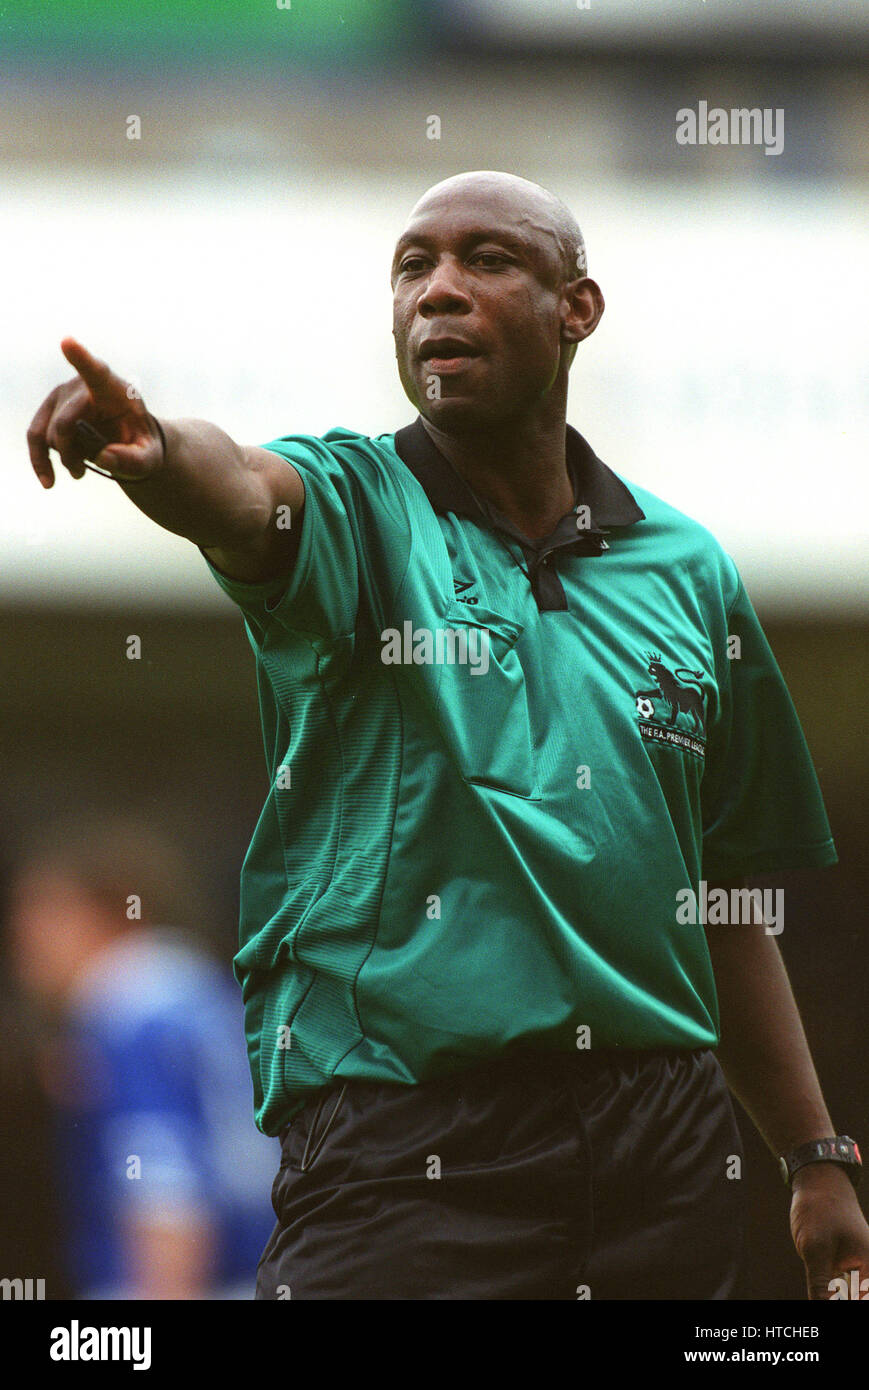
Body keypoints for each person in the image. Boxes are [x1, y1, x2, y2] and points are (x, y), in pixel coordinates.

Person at [26, 169, 868, 1301]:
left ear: (577, 308)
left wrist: (811, 1157)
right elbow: (240, 489)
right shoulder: (355, 503)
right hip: (406, 1147)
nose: (438, 292)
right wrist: (161, 454)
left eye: (487, 261)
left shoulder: (689, 571)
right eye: (412, 268)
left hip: (660, 1150)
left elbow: (718, 899)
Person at [6, 815, 279, 1299]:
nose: (22, 935)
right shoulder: (199, 989)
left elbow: (166, 1201)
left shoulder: (125, 1008)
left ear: (106, 910)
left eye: (43, 912)